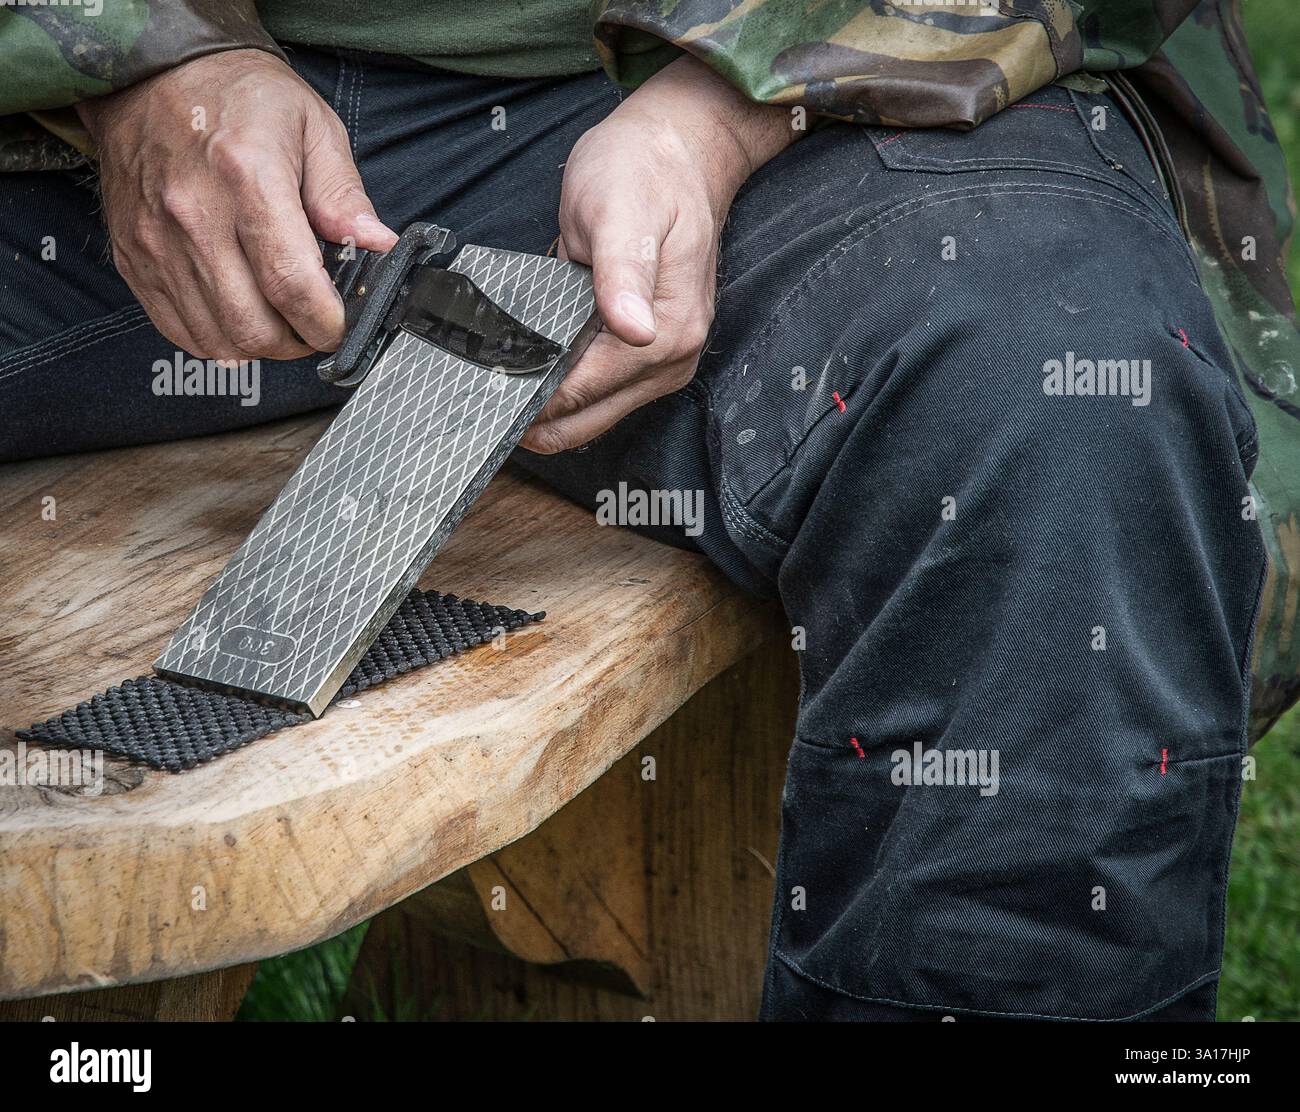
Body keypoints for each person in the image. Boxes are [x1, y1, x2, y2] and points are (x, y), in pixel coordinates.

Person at [1, 1, 1297, 1021]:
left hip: (763, 105)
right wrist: (133, 47)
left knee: (1041, 396)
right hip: (66, 138)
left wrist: (724, 103)